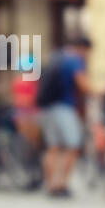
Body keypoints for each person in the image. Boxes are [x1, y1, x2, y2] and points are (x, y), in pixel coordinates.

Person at [38, 36, 90, 197]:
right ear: (83, 49)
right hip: (65, 108)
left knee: (53, 147)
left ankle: (50, 185)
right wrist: (102, 90)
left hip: (47, 107)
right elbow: (83, 84)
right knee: (73, 146)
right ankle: (61, 184)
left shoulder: (56, 56)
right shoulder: (75, 60)